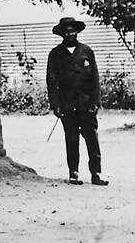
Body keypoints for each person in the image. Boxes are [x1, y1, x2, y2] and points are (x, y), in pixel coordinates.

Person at [45, 16, 107, 186]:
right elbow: (51, 82)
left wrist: (95, 102)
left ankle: (96, 173)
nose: (70, 33)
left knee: (92, 138)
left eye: (73, 30)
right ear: (62, 33)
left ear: (77, 31)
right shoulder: (55, 54)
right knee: (71, 139)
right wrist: (56, 105)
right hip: (67, 104)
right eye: (66, 31)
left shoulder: (87, 51)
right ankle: (74, 172)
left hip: (86, 104)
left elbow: (95, 80)